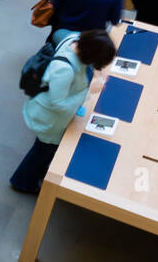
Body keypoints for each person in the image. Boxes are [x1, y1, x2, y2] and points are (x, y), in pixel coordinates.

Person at [9, 29, 118, 193]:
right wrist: (89, 90)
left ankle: (34, 175)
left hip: (53, 116)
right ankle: (22, 181)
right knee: (42, 149)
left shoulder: (75, 40)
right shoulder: (64, 70)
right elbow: (57, 103)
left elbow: (59, 33)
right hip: (49, 119)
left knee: (44, 149)